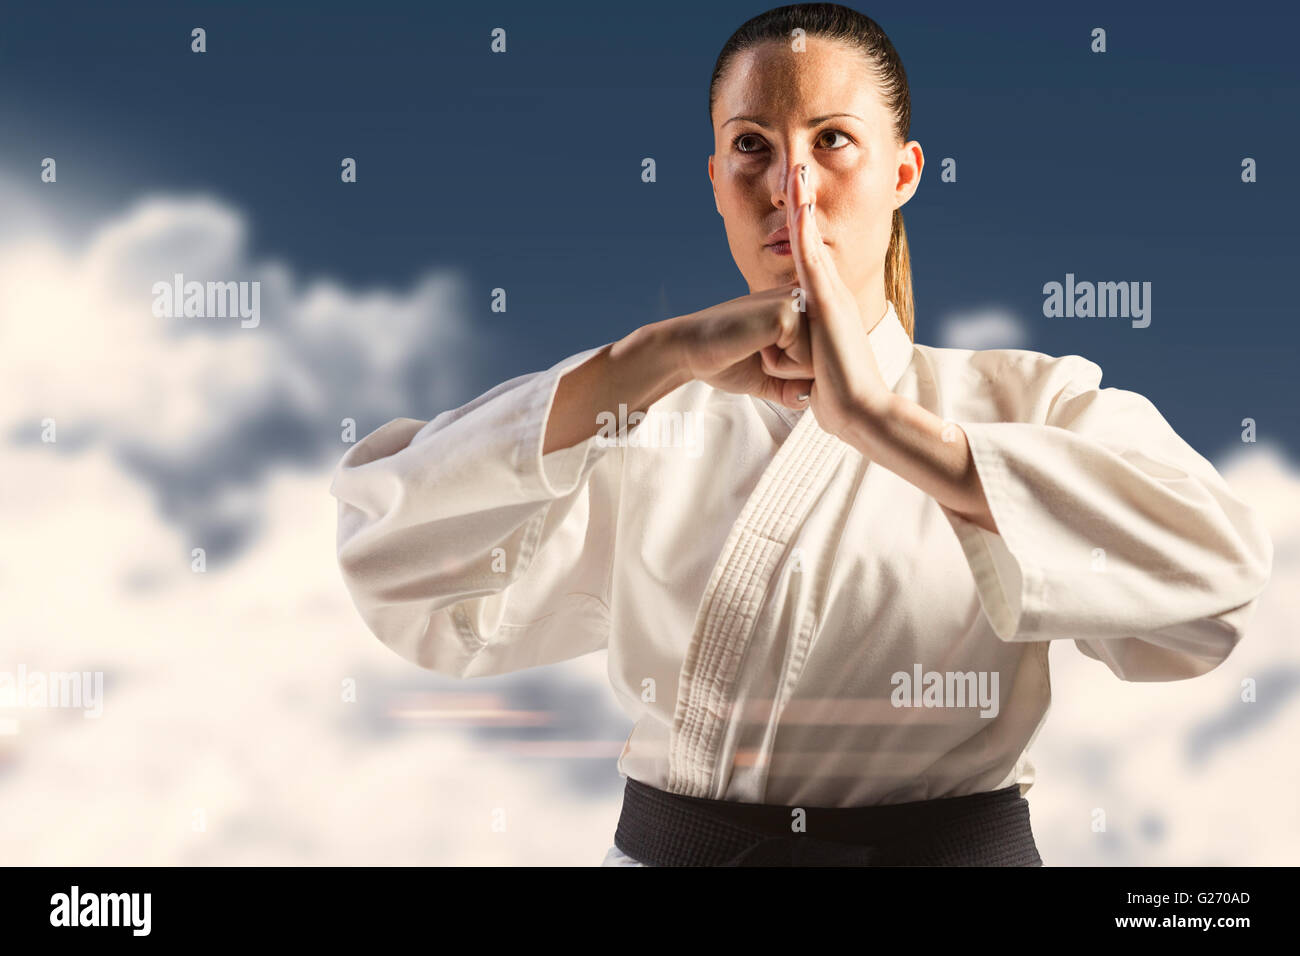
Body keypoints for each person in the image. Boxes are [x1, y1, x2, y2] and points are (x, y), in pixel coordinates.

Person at [328, 4, 1273, 866]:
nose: (792, 184)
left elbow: (1218, 579)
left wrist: (893, 430)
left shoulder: (1027, 402)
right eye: (751, 145)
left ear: (904, 171)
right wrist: (646, 361)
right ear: (713, 180)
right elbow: (389, 555)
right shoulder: (638, 414)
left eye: (832, 141)